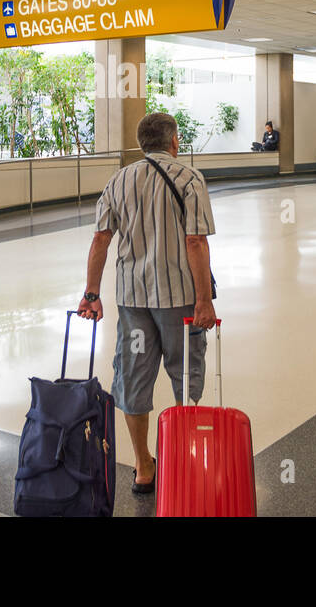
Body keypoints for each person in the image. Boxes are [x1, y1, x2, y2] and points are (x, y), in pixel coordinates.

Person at [78, 112, 216, 495]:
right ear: (175, 142)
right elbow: (195, 242)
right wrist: (204, 301)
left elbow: (101, 240)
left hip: (132, 299)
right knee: (184, 372)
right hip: (180, 300)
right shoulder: (189, 178)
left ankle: (143, 467)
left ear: (142, 144)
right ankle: (183, 457)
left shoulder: (119, 180)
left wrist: (91, 294)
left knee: (134, 379)